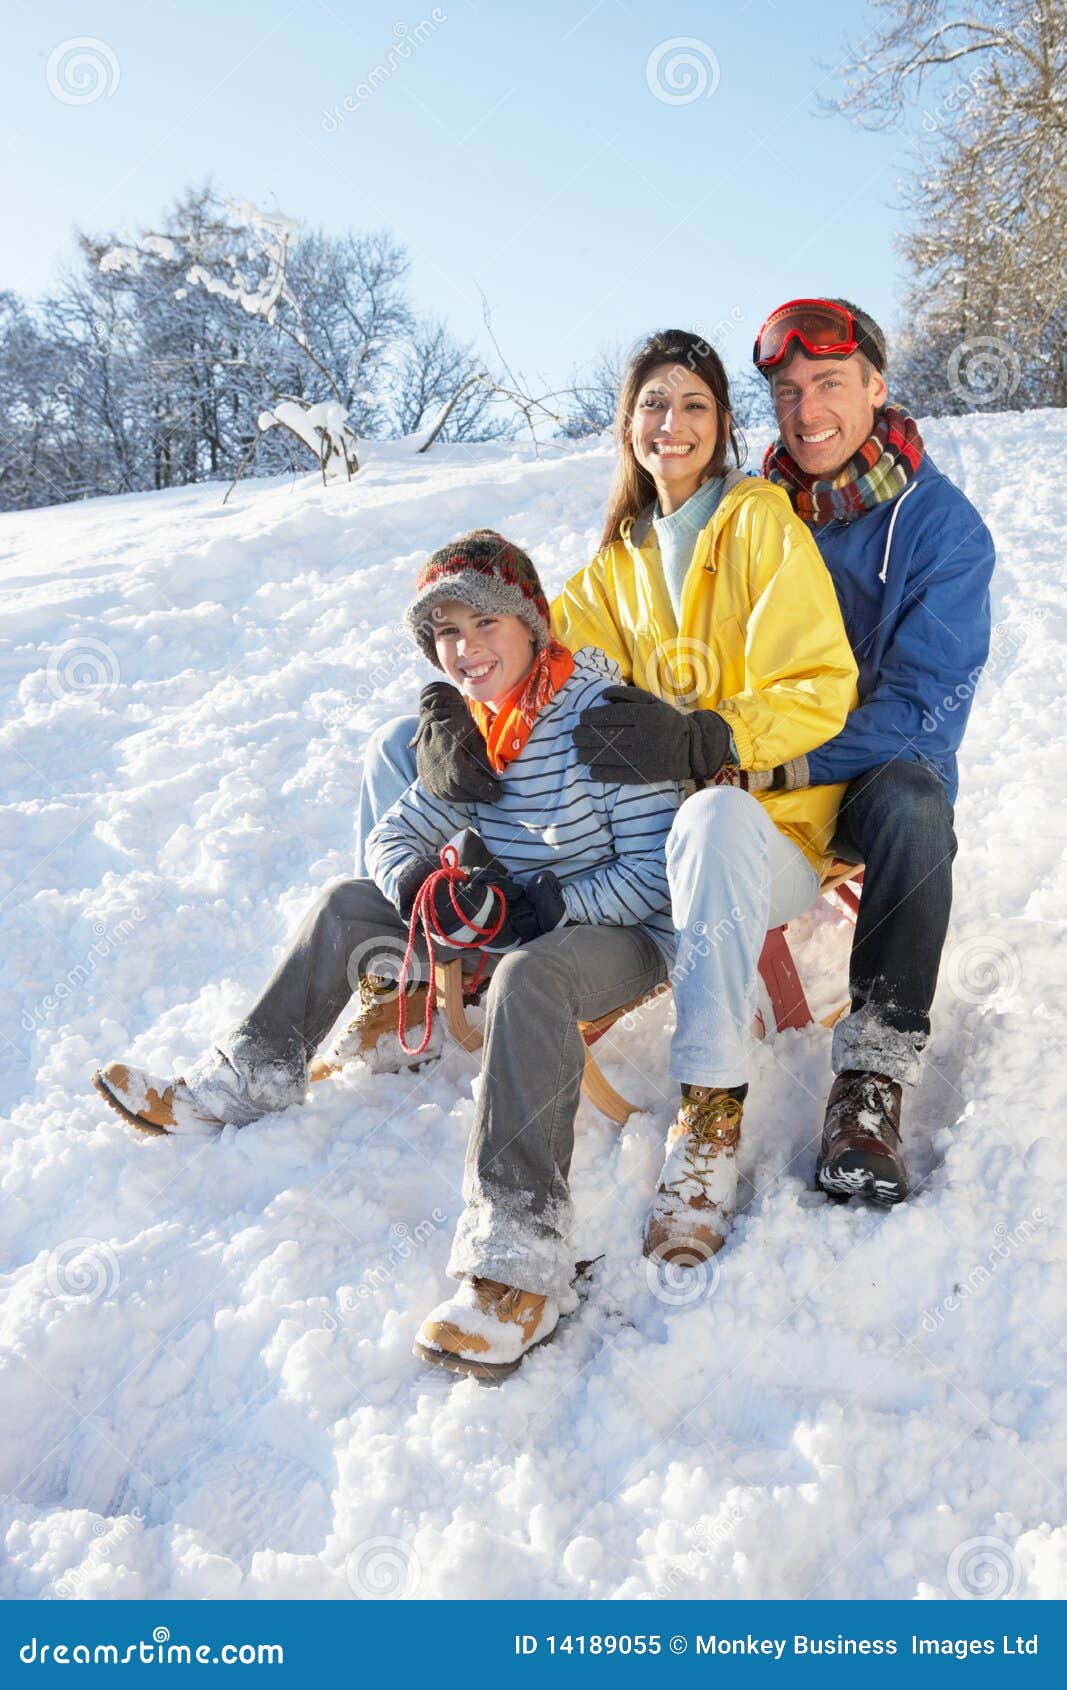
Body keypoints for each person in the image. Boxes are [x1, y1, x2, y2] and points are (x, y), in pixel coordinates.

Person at [95, 532, 684, 1380]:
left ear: (531, 625)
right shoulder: (478, 730)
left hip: (618, 933)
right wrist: (422, 888)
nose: (466, 648)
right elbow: (395, 832)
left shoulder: (603, 719)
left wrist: (543, 905)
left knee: (528, 973)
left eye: (485, 622)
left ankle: (519, 1262)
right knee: (346, 904)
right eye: (445, 632)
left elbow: (650, 876)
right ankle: (246, 1078)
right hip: (514, 920)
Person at [357, 330, 859, 1260]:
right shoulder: (612, 564)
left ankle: (709, 1116)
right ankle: (424, 964)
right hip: (645, 825)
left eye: (694, 406)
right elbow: (536, 664)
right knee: (398, 747)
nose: (671, 424)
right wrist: (444, 709)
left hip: (765, 826)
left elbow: (822, 686)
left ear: (719, 425)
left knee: (710, 814)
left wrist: (710, 736)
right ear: (627, 425)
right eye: (652, 405)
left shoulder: (757, 522)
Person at [746, 298, 994, 1202]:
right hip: (751, 766)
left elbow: (926, 705)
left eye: (829, 384)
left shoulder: (941, 528)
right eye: (786, 390)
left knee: (913, 805)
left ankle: (870, 1083)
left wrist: (794, 764)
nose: (806, 411)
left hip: (861, 777)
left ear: (876, 389)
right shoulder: (751, 511)